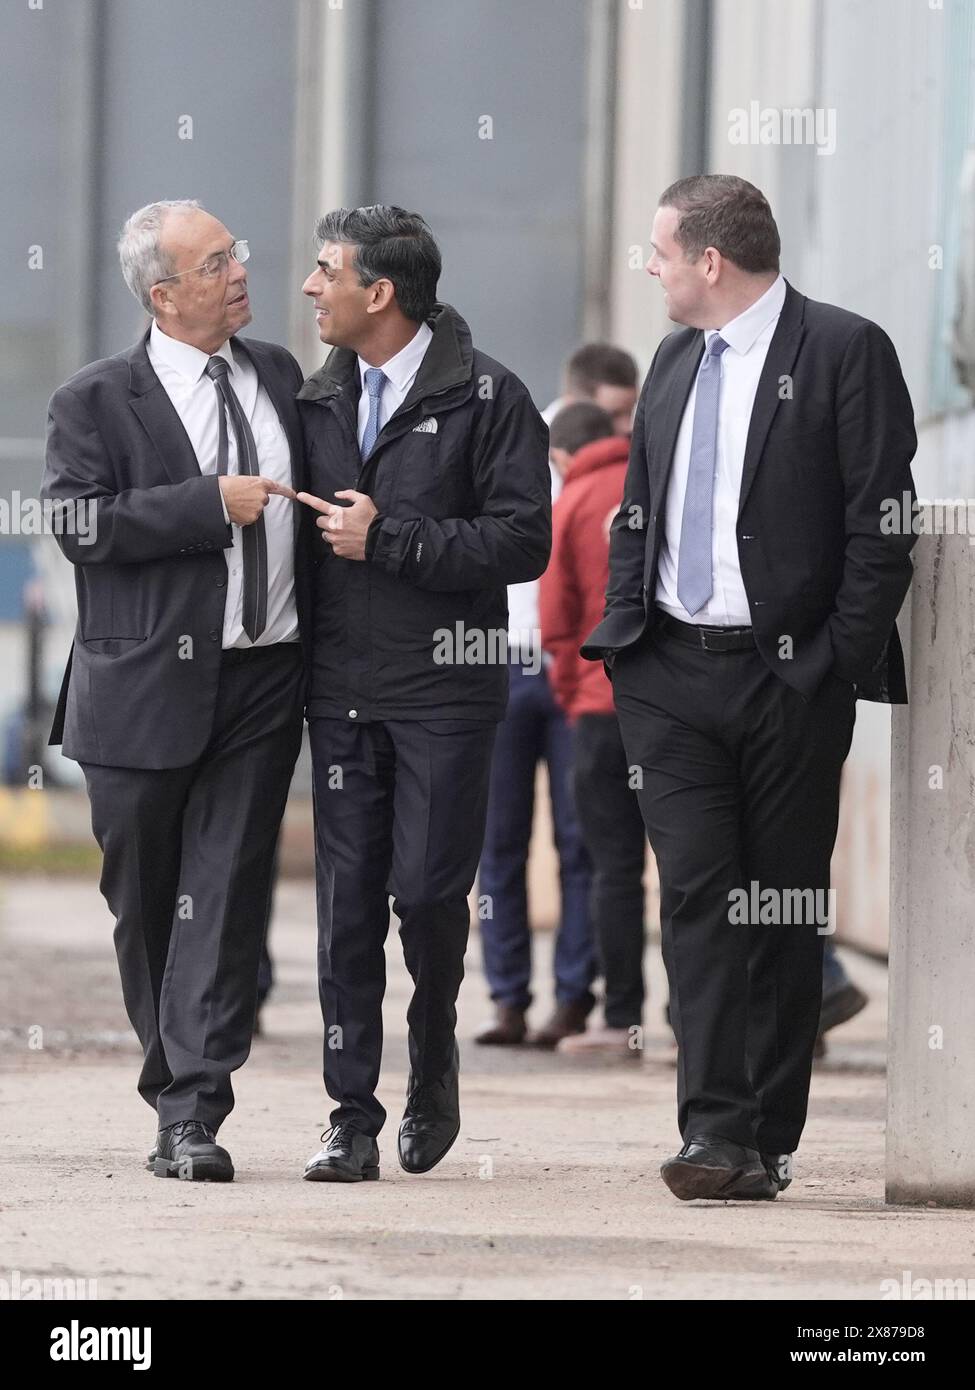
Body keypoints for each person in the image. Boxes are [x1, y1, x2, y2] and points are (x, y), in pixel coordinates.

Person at [582, 175, 917, 1201]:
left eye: (660, 251)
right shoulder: (676, 361)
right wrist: (629, 637)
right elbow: (642, 506)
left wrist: (828, 659)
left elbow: (882, 521)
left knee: (776, 907)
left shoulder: (844, 350)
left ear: (710, 262)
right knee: (696, 897)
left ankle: (769, 1132)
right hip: (670, 675)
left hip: (787, 677)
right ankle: (714, 1131)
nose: (651, 268)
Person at [41, 200, 312, 1182]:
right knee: (149, 901)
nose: (241, 270)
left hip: (263, 676)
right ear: (164, 294)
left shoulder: (281, 374)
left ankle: (198, 1108)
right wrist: (207, 503)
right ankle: (170, 1084)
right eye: (215, 263)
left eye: (237, 251)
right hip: (142, 687)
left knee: (230, 894)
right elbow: (76, 520)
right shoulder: (95, 399)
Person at [295, 206, 551, 1182]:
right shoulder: (314, 402)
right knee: (346, 905)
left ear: (380, 293)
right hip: (340, 694)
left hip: (447, 690)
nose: (312, 288)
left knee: (428, 895)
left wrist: (392, 536)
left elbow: (525, 539)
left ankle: (432, 1053)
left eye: (327, 272)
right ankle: (348, 1114)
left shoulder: (491, 399)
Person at [475, 344, 639, 1050]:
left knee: (583, 841)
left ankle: (572, 998)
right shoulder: (513, 451)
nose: (623, 430)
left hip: (573, 668)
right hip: (507, 664)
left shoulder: (615, 471)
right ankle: (507, 998)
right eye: (615, 413)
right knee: (498, 840)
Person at [540, 402, 648, 1057]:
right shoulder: (653, 481)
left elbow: (557, 623)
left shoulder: (573, 499)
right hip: (671, 709)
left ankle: (623, 1020)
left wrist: (572, 693)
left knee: (614, 870)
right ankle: (705, 1026)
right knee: (700, 868)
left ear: (561, 456)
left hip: (598, 713)